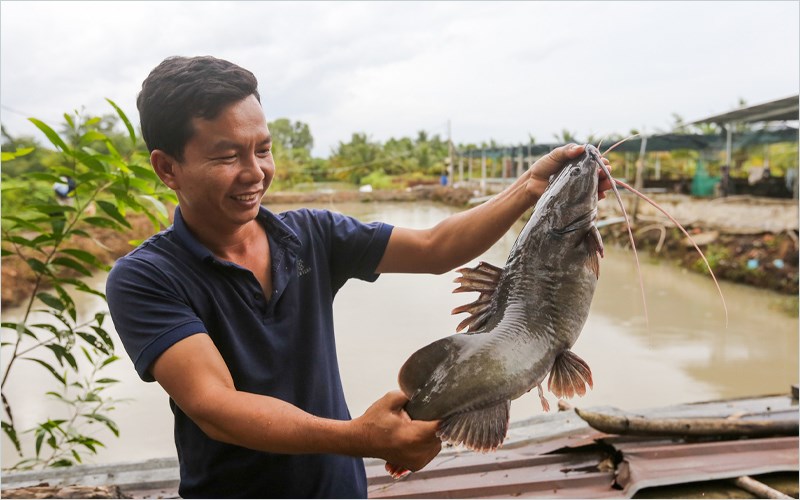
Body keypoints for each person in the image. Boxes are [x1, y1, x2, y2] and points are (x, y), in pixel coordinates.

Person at [106, 56, 613, 498]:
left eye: (262, 149)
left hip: (341, 490)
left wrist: (531, 187)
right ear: (167, 169)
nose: (255, 171)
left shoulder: (311, 234)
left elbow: (435, 248)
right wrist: (360, 438)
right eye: (226, 156)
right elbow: (216, 407)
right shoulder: (146, 277)